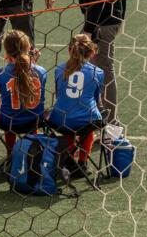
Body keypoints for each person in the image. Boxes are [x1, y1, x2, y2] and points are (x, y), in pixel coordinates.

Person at [45, 33, 105, 180]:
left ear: (69, 50)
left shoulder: (59, 69)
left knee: (67, 124)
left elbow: (60, 95)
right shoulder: (98, 72)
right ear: (91, 52)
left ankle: (68, 158)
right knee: (89, 128)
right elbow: (96, 99)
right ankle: (82, 163)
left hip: (61, 120)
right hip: (86, 120)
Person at [0, 31, 46, 158]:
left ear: (6, 51)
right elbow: (27, 77)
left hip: (9, 122)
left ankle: (10, 154)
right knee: (29, 109)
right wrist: (33, 64)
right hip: (35, 120)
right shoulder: (41, 71)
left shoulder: (1, 73)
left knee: (1, 106)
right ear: (28, 48)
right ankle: (33, 149)